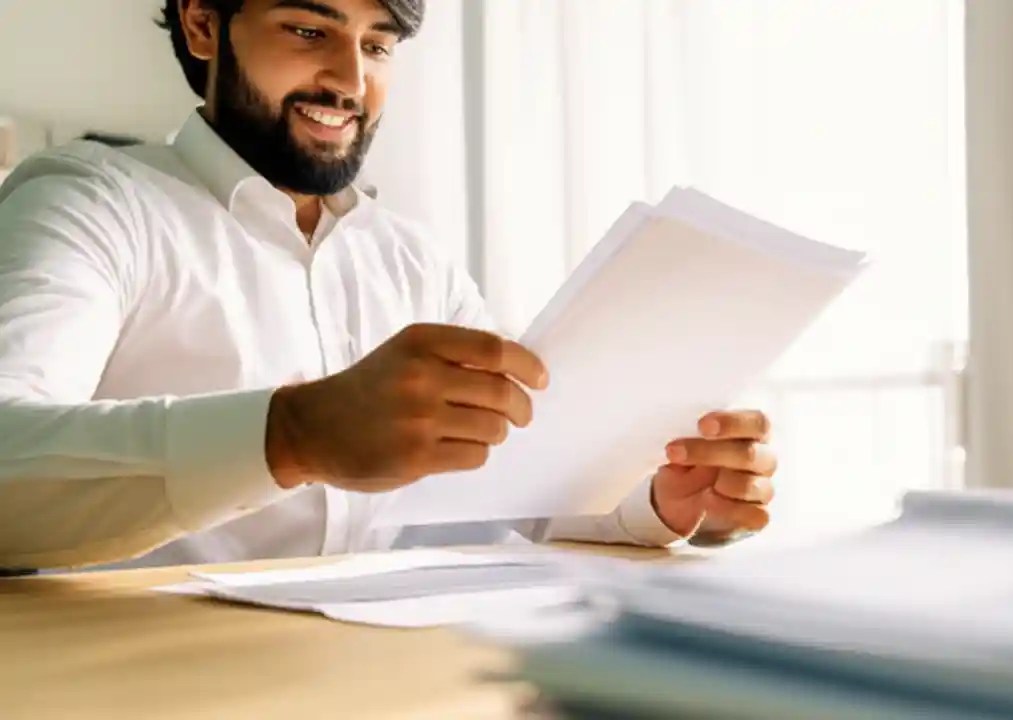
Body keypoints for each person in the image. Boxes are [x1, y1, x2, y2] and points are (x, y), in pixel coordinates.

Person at [0, 0, 777, 570]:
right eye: (310, 30)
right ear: (203, 24)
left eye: (377, 44)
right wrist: (291, 434)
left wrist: (661, 501)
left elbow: (513, 485)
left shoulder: (412, 258)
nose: (349, 80)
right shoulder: (91, 201)